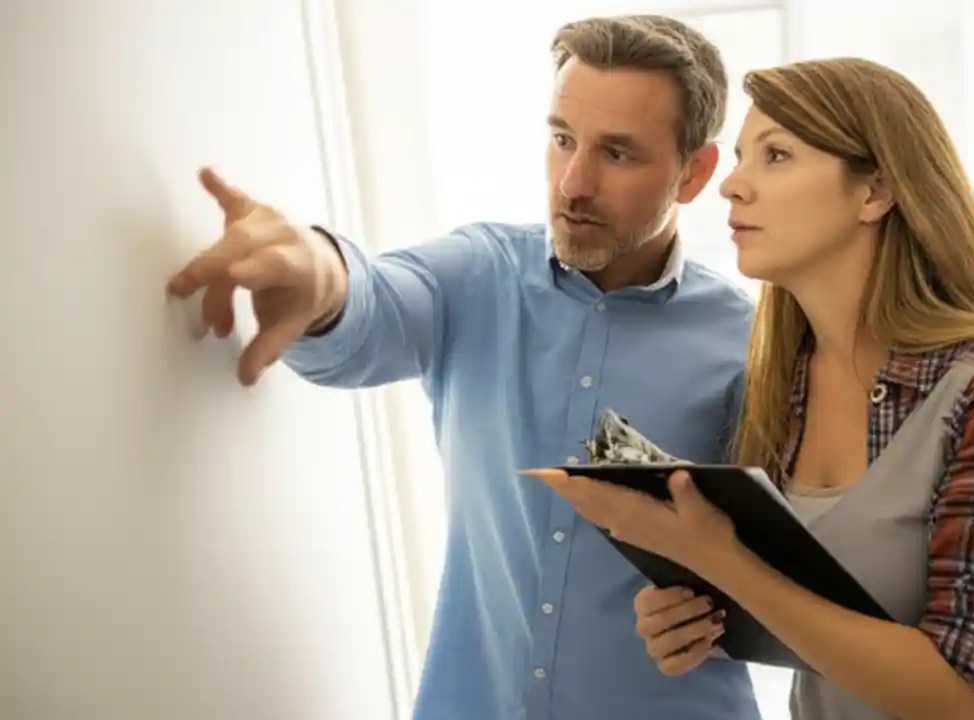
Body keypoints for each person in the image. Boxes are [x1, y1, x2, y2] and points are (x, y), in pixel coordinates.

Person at [165, 15, 763, 720]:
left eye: (619, 155)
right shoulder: (481, 274)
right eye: (562, 140)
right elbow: (376, 302)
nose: (573, 183)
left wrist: (722, 614)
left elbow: (793, 579)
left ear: (694, 173)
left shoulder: (748, 344)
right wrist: (319, 277)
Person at [530, 57, 974, 719]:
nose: (732, 185)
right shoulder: (781, 385)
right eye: (739, 156)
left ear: (874, 192)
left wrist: (720, 559)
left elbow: (964, 695)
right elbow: (822, 611)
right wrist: (702, 619)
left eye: (777, 155)